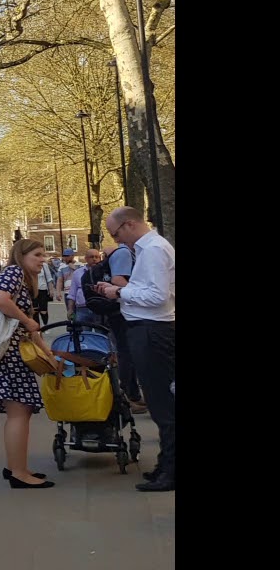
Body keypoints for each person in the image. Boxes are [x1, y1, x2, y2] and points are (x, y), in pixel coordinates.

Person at [94, 207, 175, 492]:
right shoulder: (151, 248)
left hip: (152, 330)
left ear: (129, 225)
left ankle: (171, 472)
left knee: (162, 403)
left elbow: (156, 296)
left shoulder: (152, 250)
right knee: (159, 401)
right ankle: (166, 465)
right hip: (149, 329)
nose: (117, 241)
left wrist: (119, 292)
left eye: (116, 234)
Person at [0, 238, 57, 489]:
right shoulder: (14, 272)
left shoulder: (23, 280)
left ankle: (16, 468)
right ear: (22, 255)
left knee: (21, 412)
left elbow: (31, 328)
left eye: (44, 255)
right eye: (38, 254)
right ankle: (19, 474)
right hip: (7, 356)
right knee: (19, 412)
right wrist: (27, 320)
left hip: (10, 354)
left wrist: (50, 355)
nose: (43, 259)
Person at [99, 242, 144, 413]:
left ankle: (132, 394)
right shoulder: (124, 253)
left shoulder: (127, 252)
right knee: (127, 353)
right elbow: (117, 279)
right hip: (122, 310)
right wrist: (140, 293)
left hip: (123, 310)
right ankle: (130, 395)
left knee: (128, 352)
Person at [67, 248, 103, 327]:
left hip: (99, 309)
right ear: (86, 259)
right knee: (83, 336)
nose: (94, 259)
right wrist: (70, 309)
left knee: (100, 334)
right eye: (91, 257)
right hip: (82, 309)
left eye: (97, 257)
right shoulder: (77, 273)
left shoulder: (104, 272)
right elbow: (72, 293)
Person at [32, 253, 55, 326]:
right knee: (34, 310)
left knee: (43, 310)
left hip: (43, 289)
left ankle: (45, 325)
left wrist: (51, 289)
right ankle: (38, 328)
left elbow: (49, 278)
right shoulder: (29, 265)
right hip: (32, 290)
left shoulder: (44, 266)